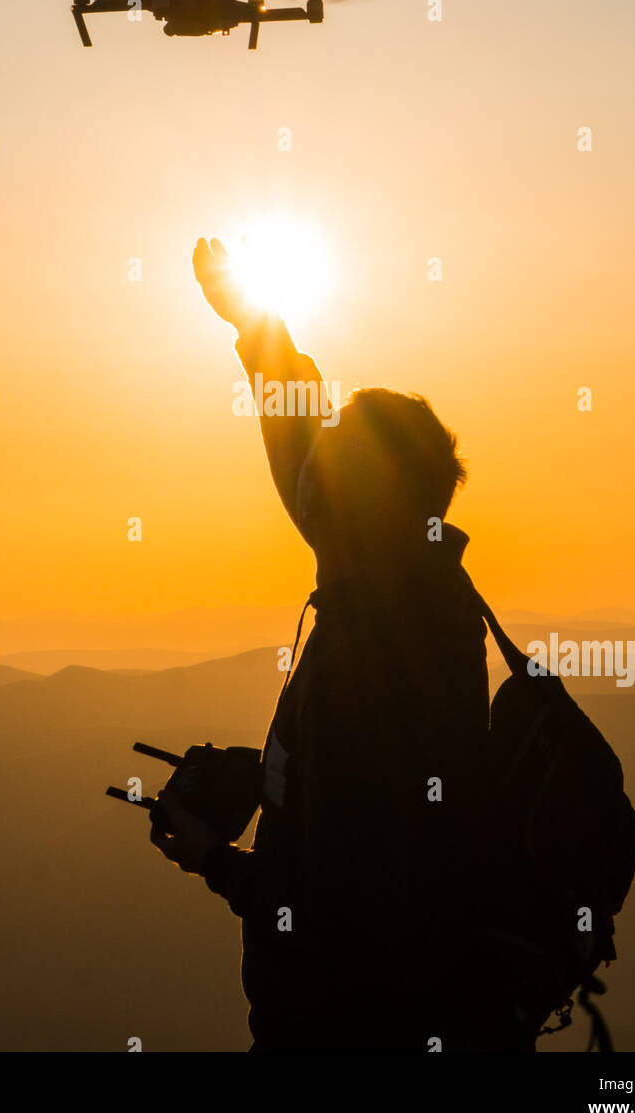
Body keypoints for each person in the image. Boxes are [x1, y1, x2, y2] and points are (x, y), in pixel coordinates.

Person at [149, 237, 528, 1052]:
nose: (304, 480)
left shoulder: (376, 656)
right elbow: (296, 446)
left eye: (326, 468)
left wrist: (213, 858)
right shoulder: (406, 597)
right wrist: (279, 774)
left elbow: (337, 917)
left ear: (349, 502)